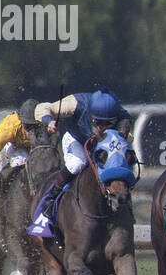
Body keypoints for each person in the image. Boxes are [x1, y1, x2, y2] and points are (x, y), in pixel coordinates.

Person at [32, 90, 132, 223]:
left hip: (102, 143)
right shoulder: (75, 103)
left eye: (108, 123)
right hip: (76, 138)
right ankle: (52, 196)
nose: (102, 127)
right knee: (78, 163)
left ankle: (127, 201)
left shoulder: (121, 114)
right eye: (98, 122)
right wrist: (49, 121)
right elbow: (42, 107)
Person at [0, 98, 42, 194]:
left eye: (34, 127)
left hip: (38, 148)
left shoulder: (46, 125)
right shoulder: (9, 127)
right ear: (21, 121)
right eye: (28, 127)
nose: (31, 132)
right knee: (20, 160)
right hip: (15, 146)